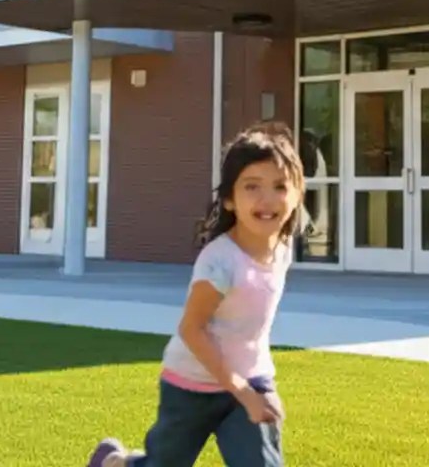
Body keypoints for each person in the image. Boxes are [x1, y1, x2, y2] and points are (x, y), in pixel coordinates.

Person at [89, 122, 304, 467]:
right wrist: (243, 391)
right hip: (191, 384)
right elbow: (192, 329)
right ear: (231, 200)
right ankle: (115, 462)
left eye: (280, 186)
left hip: (250, 380)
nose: (268, 199)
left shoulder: (282, 248)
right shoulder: (220, 261)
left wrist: (254, 390)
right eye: (252, 187)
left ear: (297, 194)